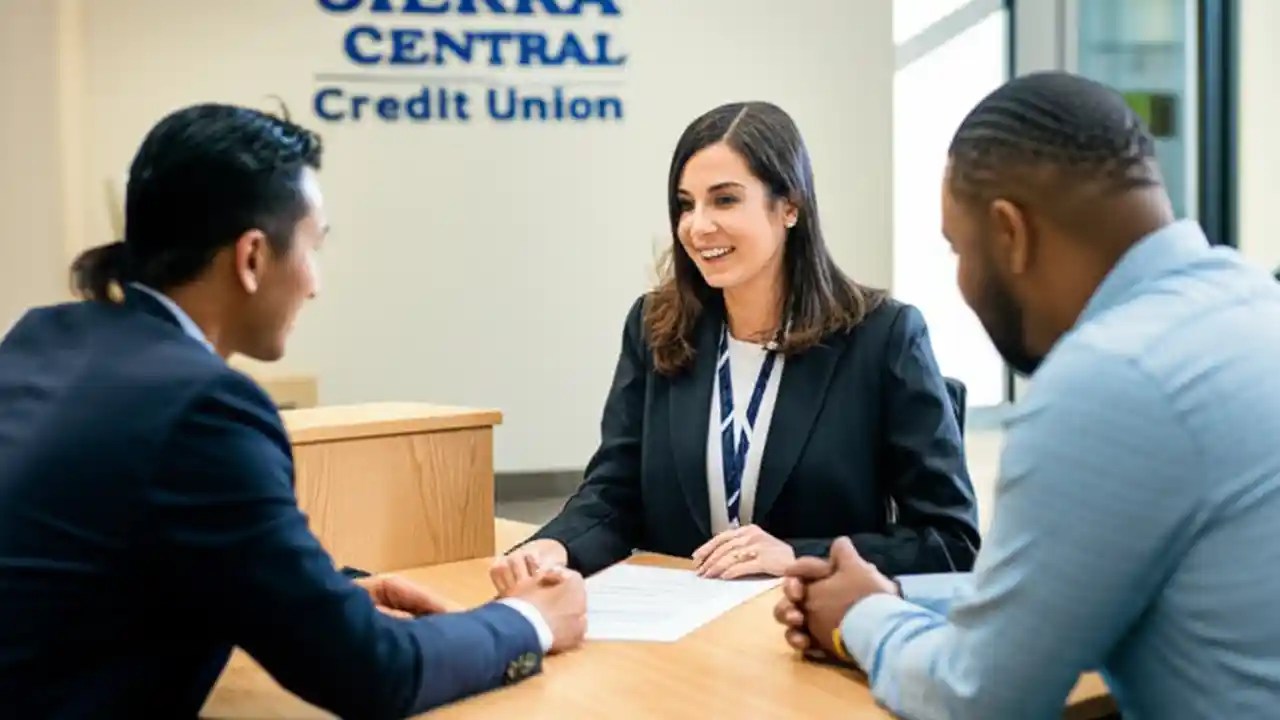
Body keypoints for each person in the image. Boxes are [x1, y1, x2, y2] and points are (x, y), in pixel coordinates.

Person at [0, 103, 587, 718]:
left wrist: (314, 597)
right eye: (314, 246)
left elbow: (116, 557)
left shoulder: (44, 339)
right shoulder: (203, 406)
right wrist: (526, 621)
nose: (314, 283)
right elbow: (369, 674)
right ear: (252, 257)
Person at [774, 71, 1280, 719]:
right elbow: (1062, 583)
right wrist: (895, 593)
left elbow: (977, 697)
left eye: (958, 247)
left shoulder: (1108, 379)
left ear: (1011, 234)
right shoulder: (1249, 303)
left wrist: (862, 617)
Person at [491, 101, 980, 592]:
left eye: (724, 200)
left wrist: (795, 555)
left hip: (807, 627)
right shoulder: (655, 326)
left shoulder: (883, 337)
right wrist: (555, 546)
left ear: (790, 206)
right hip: (681, 633)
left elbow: (947, 541)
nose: (697, 226)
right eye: (686, 204)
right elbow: (614, 492)